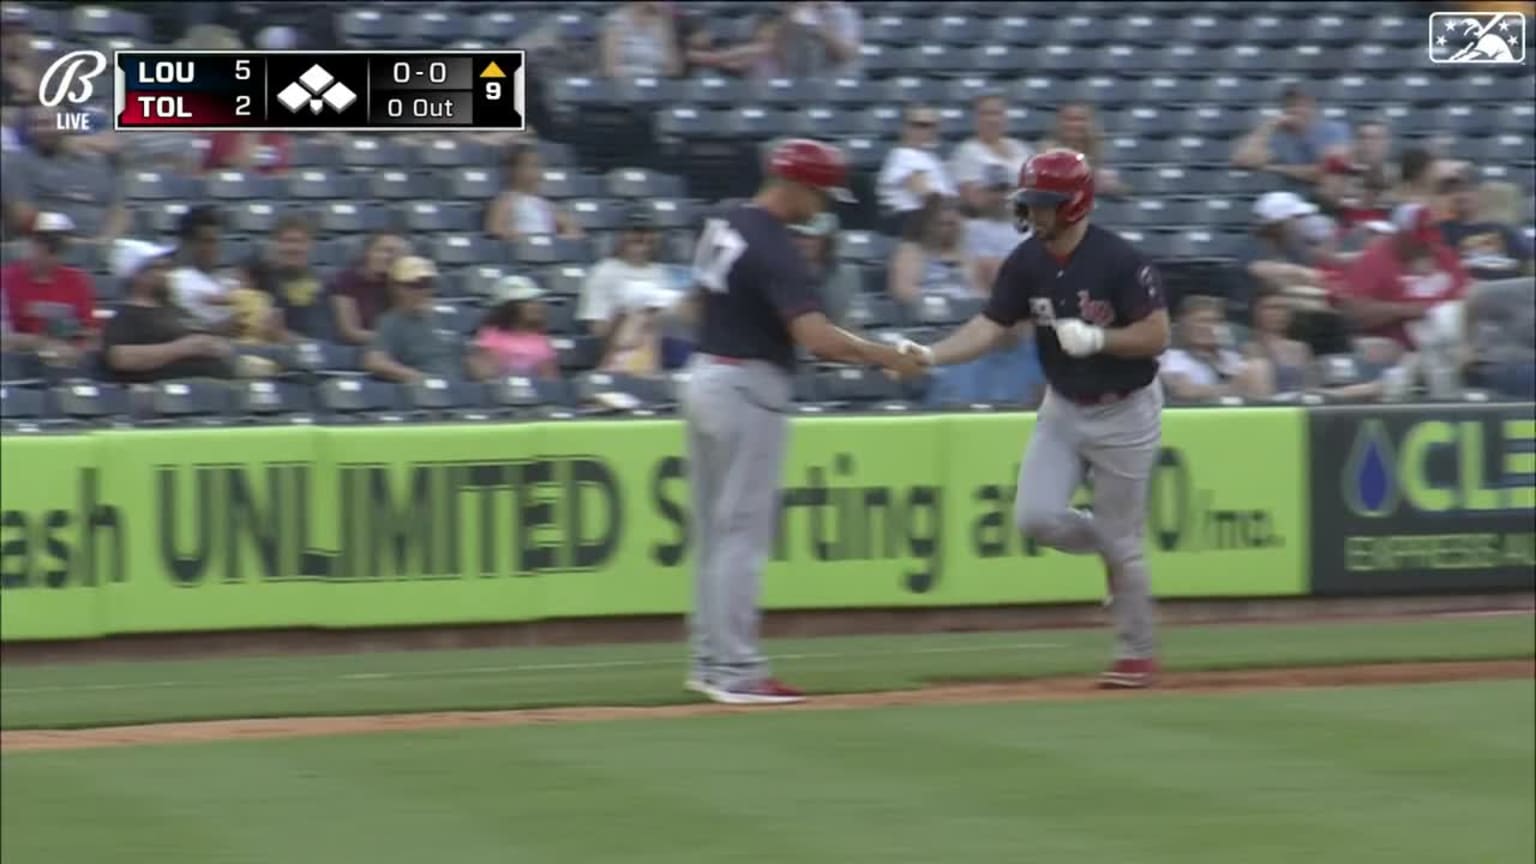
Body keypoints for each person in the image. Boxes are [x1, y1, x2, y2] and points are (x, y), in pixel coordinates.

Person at [895, 149, 1171, 688]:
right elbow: (988, 327)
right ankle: (1114, 547)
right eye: (1032, 203)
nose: (1034, 213)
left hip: (1125, 410)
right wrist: (931, 354)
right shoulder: (1026, 262)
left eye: (1045, 204)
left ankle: (1137, 655)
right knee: (1036, 518)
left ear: (1075, 204)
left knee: (1123, 542)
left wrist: (1101, 339)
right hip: (1064, 405)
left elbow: (1158, 334)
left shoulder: (1119, 259)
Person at [682, 138, 923, 705]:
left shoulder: (726, 220)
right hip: (747, 385)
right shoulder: (775, 246)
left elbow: (696, 302)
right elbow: (815, 337)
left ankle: (710, 659)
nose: (823, 206)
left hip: (705, 372)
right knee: (741, 535)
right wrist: (886, 355)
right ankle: (738, 671)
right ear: (794, 185)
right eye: (819, 193)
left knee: (715, 535)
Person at [1, 107, 128, 267]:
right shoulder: (18, 162)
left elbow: (119, 210)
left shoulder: (98, 163)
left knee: (150, 261)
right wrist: (68, 239)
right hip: (47, 245)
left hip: (104, 245)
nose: (41, 130)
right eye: (35, 125)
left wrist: (105, 240)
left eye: (48, 124)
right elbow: (22, 216)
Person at [1339, 202, 1469, 354]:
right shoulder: (1374, 260)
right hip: (1403, 347)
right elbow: (1355, 314)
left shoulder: (1442, 254)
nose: (1426, 245)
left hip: (1452, 335)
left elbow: (1466, 292)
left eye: (1429, 237)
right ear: (1400, 235)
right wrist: (1407, 310)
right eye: (1419, 239)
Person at [101, 241, 235, 383]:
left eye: (166, 268)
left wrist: (213, 345)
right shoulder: (126, 316)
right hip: (171, 396)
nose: (167, 274)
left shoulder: (174, 309)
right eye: (159, 268)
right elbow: (120, 358)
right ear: (139, 276)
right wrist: (181, 349)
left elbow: (201, 336)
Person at [0, 213, 97, 369]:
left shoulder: (77, 281)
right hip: (18, 362)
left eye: (58, 248)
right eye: (45, 244)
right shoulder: (5, 279)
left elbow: (89, 332)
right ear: (31, 244)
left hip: (67, 362)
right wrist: (41, 343)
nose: (50, 254)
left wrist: (76, 350)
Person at [363, 256, 467, 383]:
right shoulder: (391, 322)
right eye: (415, 285)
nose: (423, 291)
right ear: (397, 288)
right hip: (427, 393)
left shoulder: (446, 317)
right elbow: (375, 361)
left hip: (459, 388)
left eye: (427, 284)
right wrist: (420, 378)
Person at [1231, 85, 1350, 192]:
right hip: (1290, 204)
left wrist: (1275, 168)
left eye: (1300, 105)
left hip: (1325, 201)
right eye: (1289, 106)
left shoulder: (1334, 130)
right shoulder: (1281, 136)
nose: (1295, 111)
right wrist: (1269, 126)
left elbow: (1323, 173)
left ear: (1312, 107)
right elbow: (1243, 161)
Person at [577, 206, 672, 340]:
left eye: (646, 231)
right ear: (621, 236)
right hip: (618, 350)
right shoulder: (603, 272)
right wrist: (627, 315)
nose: (641, 237)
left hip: (658, 348)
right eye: (634, 231)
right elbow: (597, 330)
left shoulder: (663, 273)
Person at [1158, 295, 1267, 403]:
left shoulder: (1233, 358)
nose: (1207, 327)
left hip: (1240, 415)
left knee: (1259, 366)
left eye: (1214, 321)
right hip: (1196, 416)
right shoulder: (1170, 359)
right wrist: (1233, 388)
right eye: (1201, 321)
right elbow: (1185, 391)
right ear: (1184, 325)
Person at [243, 213, 333, 342]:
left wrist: (285, 336)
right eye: (286, 241)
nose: (293, 248)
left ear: (310, 245)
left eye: (299, 241)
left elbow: (323, 339)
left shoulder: (322, 285)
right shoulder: (261, 279)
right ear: (275, 245)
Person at [875, 106, 955, 237]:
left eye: (932, 126)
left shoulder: (933, 159)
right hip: (910, 225)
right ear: (905, 128)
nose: (927, 131)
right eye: (920, 125)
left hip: (936, 223)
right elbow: (928, 196)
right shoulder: (903, 156)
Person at [1439, 171, 1534, 281]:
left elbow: (1528, 261)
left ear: (1479, 194)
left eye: (1466, 190)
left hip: (1507, 288)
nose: (1460, 196)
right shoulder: (1441, 231)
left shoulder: (1503, 228)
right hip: (1467, 288)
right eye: (1453, 191)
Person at [887, 197, 979, 308]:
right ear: (929, 225)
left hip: (964, 312)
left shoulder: (967, 255)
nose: (948, 229)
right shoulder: (911, 252)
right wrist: (943, 301)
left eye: (953, 224)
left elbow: (978, 291)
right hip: (926, 314)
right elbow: (903, 291)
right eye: (942, 224)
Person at [950, 93, 1032, 215]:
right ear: (976, 118)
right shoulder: (967, 152)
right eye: (985, 114)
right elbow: (974, 200)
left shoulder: (1021, 148)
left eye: (996, 113)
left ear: (1005, 117)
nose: (991, 120)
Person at [467, 275, 559, 380]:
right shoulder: (492, 337)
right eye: (527, 302)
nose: (537, 306)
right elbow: (484, 374)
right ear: (510, 307)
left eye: (536, 301)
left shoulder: (541, 341)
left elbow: (550, 380)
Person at [485, 143, 582, 243]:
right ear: (515, 170)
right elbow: (496, 231)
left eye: (538, 166)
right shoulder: (505, 201)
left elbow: (573, 229)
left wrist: (562, 237)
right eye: (530, 165)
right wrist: (527, 239)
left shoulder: (546, 205)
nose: (537, 171)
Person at [330, 231, 408, 346]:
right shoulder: (345, 280)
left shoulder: (401, 284)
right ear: (368, 252)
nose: (392, 258)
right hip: (359, 350)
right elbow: (350, 332)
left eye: (399, 254)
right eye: (386, 251)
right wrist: (393, 339)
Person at [1039, 103, 1126, 196]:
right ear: (1060, 123)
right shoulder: (1047, 152)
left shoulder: (1101, 149)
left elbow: (1119, 189)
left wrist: (1111, 186)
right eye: (1070, 120)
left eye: (1080, 120)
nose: (1075, 125)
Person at [1243, 285, 1314, 398]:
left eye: (1283, 308)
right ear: (1256, 312)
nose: (1279, 313)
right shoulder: (1250, 348)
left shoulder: (1302, 348)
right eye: (1272, 308)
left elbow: (1311, 387)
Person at [790, 211, 858, 328]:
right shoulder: (780, 271)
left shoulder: (843, 275)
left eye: (811, 237)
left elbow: (844, 321)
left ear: (827, 241)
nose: (803, 242)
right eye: (798, 236)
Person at [600, 1, 682, 80]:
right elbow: (611, 70)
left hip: (658, 85)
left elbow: (674, 70)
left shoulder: (663, 24)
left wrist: (666, 19)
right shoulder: (615, 22)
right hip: (624, 86)